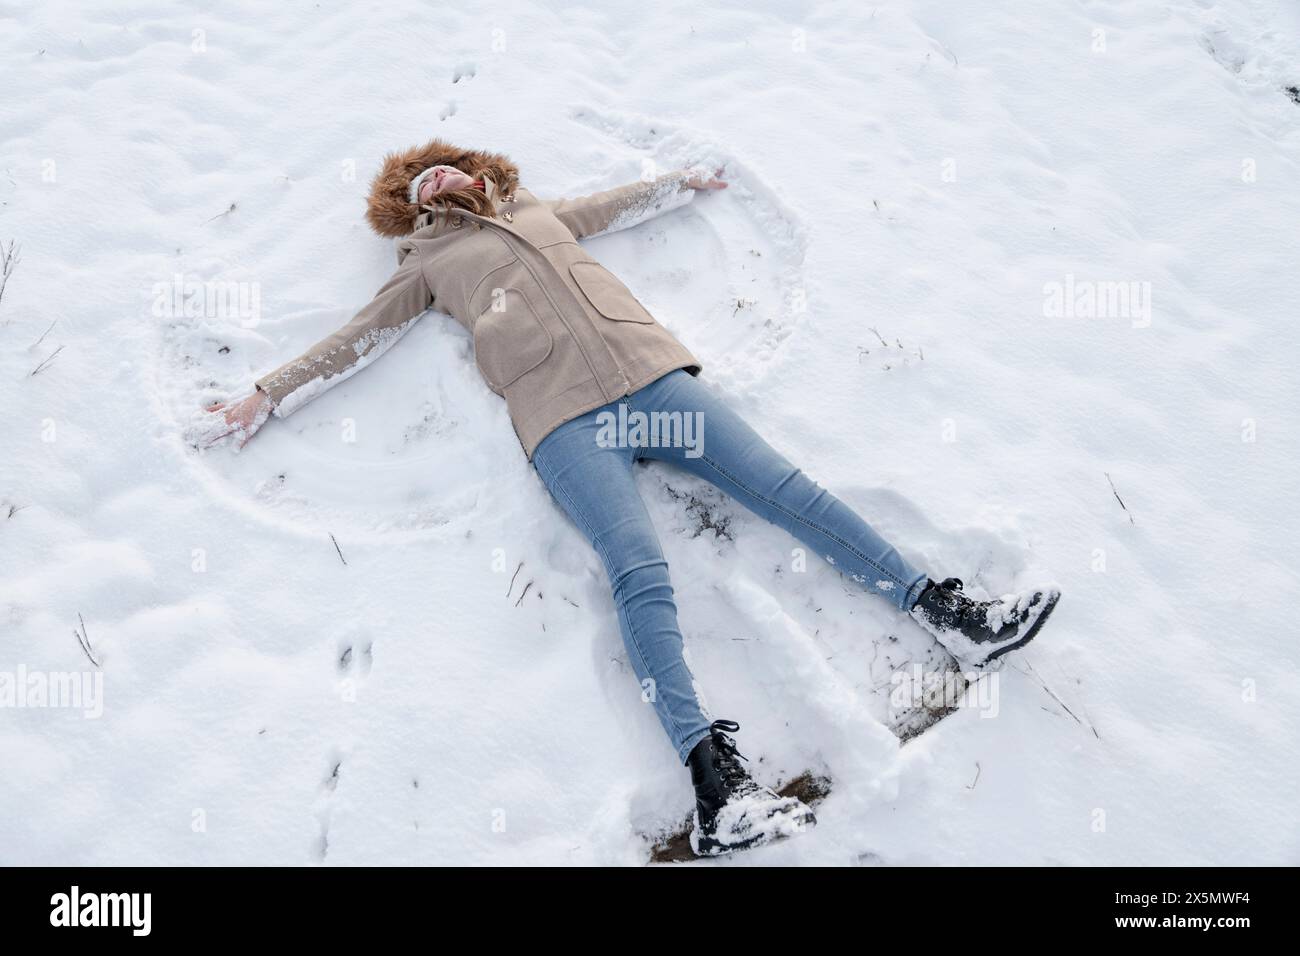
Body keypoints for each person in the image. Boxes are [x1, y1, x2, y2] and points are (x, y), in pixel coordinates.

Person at [200, 137, 1060, 856]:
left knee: (788, 490)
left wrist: (680, 183)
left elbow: (613, 207)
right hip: (561, 418)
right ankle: (717, 789)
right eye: (414, 185)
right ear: (411, 209)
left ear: (472, 171)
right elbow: (358, 336)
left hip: (652, 380)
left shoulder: (535, 212)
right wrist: (267, 393)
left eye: (441, 168)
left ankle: (950, 614)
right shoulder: (428, 262)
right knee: (637, 569)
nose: (433, 182)